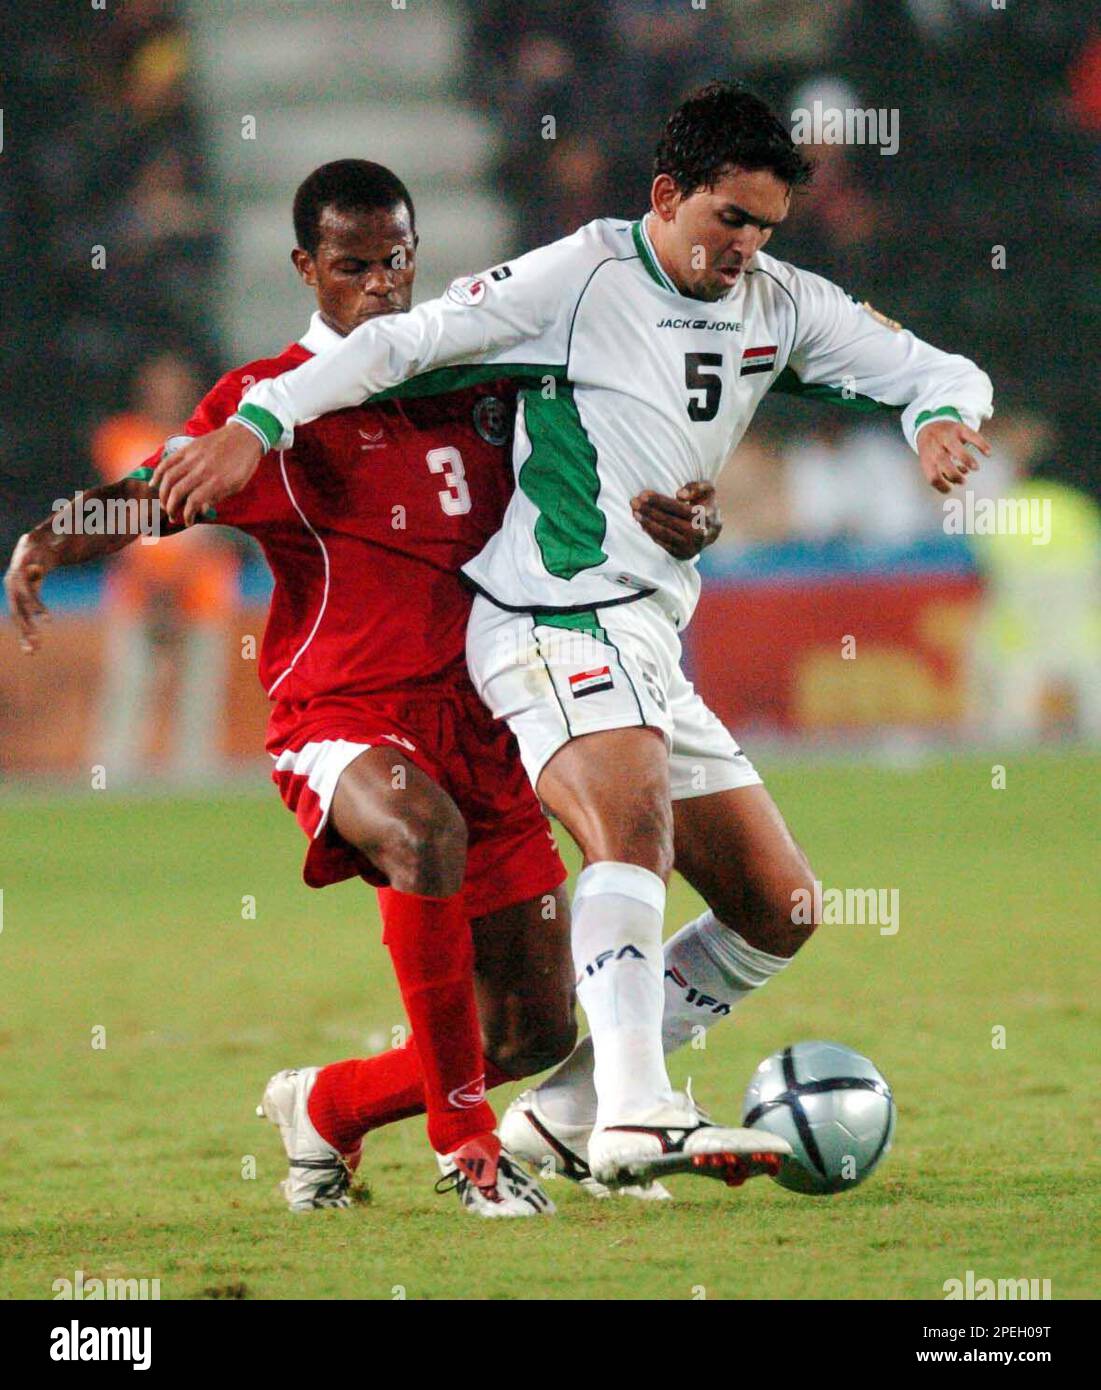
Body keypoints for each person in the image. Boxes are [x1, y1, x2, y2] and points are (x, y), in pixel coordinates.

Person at [148, 82, 994, 1191]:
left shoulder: (780, 304)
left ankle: (568, 1109)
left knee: (777, 908)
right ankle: (638, 1116)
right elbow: (406, 343)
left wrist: (936, 420)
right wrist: (261, 421)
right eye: (726, 220)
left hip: (647, 627)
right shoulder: (579, 275)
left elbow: (941, 369)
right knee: (628, 830)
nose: (743, 247)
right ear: (666, 196)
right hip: (547, 615)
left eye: (764, 227)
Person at [6, 159, 722, 1215]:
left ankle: (327, 1107)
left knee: (536, 1030)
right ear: (307, 267)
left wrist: (691, 520)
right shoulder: (266, 401)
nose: (382, 284)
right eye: (353, 266)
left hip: (489, 719)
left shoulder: (485, 374)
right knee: (418, 831)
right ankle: (467, 1146)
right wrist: (48, 538)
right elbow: (158, 494)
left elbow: (612, 481)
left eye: (397, 261)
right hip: (340, 714)